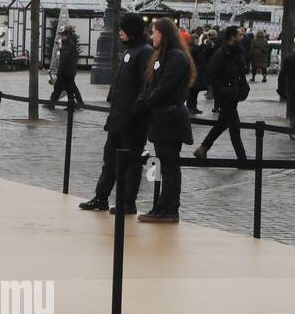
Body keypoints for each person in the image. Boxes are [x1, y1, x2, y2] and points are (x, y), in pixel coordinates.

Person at [79, 13, 153, 216]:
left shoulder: (144, 52)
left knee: (130, 163)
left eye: (123, 29)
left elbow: (145, 87)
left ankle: (128, 202)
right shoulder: (129, 51)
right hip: (118, 118)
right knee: (110, 159)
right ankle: (101, 197)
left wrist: (135, 112)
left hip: (132, 120)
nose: (119, 32)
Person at [133, 17, 196, 223]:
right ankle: (162, 206)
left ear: (164, 34)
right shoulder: (163, 56)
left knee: (169, 166)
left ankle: (168, 208)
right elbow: (151, 85)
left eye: (155, 32)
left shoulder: (176, 57)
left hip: (169, 119)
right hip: (161, 118)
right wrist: (142, 102)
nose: (152, 36)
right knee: (163, 164)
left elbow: (165, 87)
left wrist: (146, 104)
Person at [193, 25, 248, 165]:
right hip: (226, 95)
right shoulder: (221, 53)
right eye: (239, 35)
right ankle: (242, 160)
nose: (242, 37)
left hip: (233, 93)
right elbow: (212, 74)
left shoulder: (236, 52)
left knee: (223, 123)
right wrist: (223, 90)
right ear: (232, 37)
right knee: (234, 126)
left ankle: (203, 148)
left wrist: (243, 86)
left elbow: (239, 72)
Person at [46, 26, 84, 112]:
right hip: (68, 72)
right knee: (69, 89)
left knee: (60, 88)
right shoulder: (68, 44)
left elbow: (65, 59)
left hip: (66, 72)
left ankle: (52, 104)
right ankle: (74, 105)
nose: (61, 37)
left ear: (67, 35)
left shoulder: (68, 45)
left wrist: (59, 72)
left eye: (62, 35)